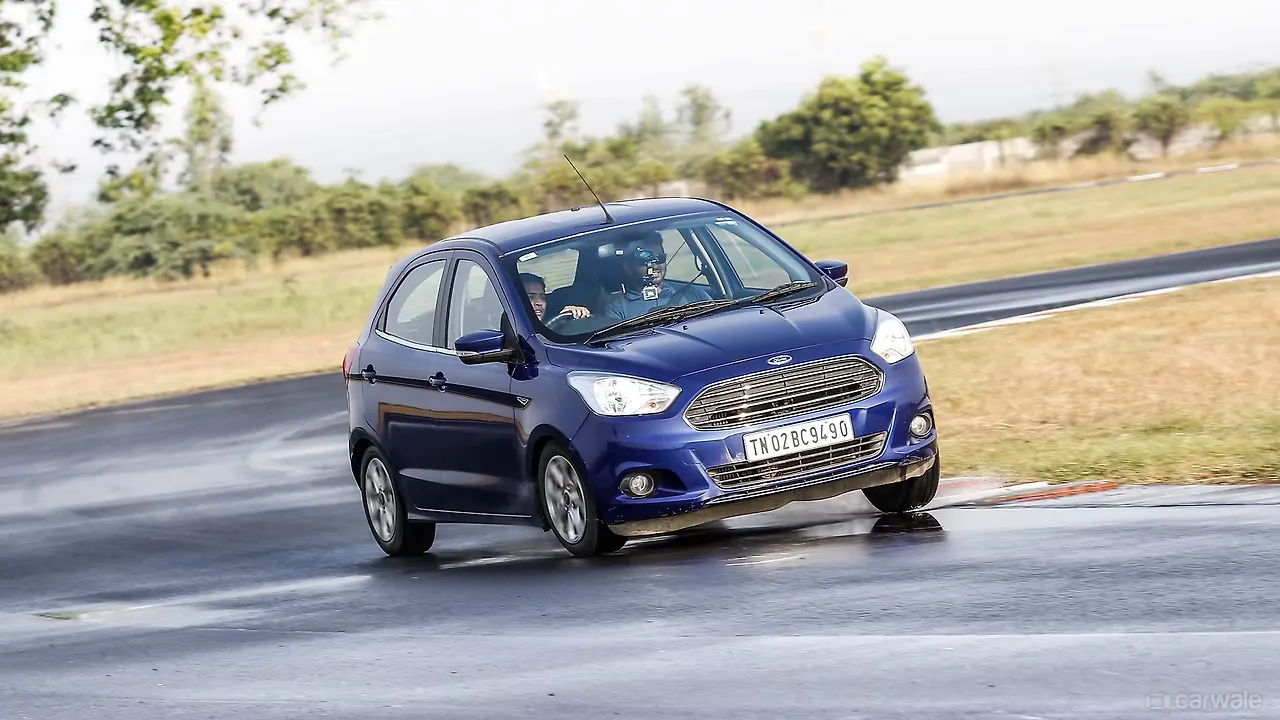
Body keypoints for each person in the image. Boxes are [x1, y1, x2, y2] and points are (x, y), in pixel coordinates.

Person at [602, 231, 712, 322]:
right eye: (644, 261)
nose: (654, 266)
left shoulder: (693, 294)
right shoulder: (618, 311)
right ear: (628, 267)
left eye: (659, 258)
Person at [520, 273, 591, 323]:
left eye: (543, 298)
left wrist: (573, 314)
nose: (539, 303)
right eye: (531, 297)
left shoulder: (553, 324)